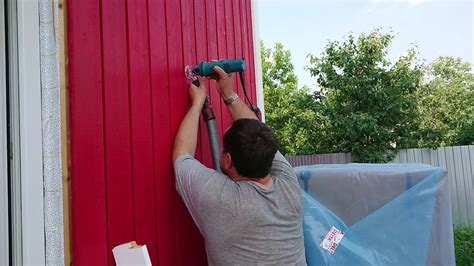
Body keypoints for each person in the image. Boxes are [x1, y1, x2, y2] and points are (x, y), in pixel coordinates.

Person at [172, 66, 306, 265]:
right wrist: (228, 93)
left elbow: (181, 155)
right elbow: (258, 132)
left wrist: (197, 104)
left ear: (227, 160)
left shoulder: (219, 197)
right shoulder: (289, 185)